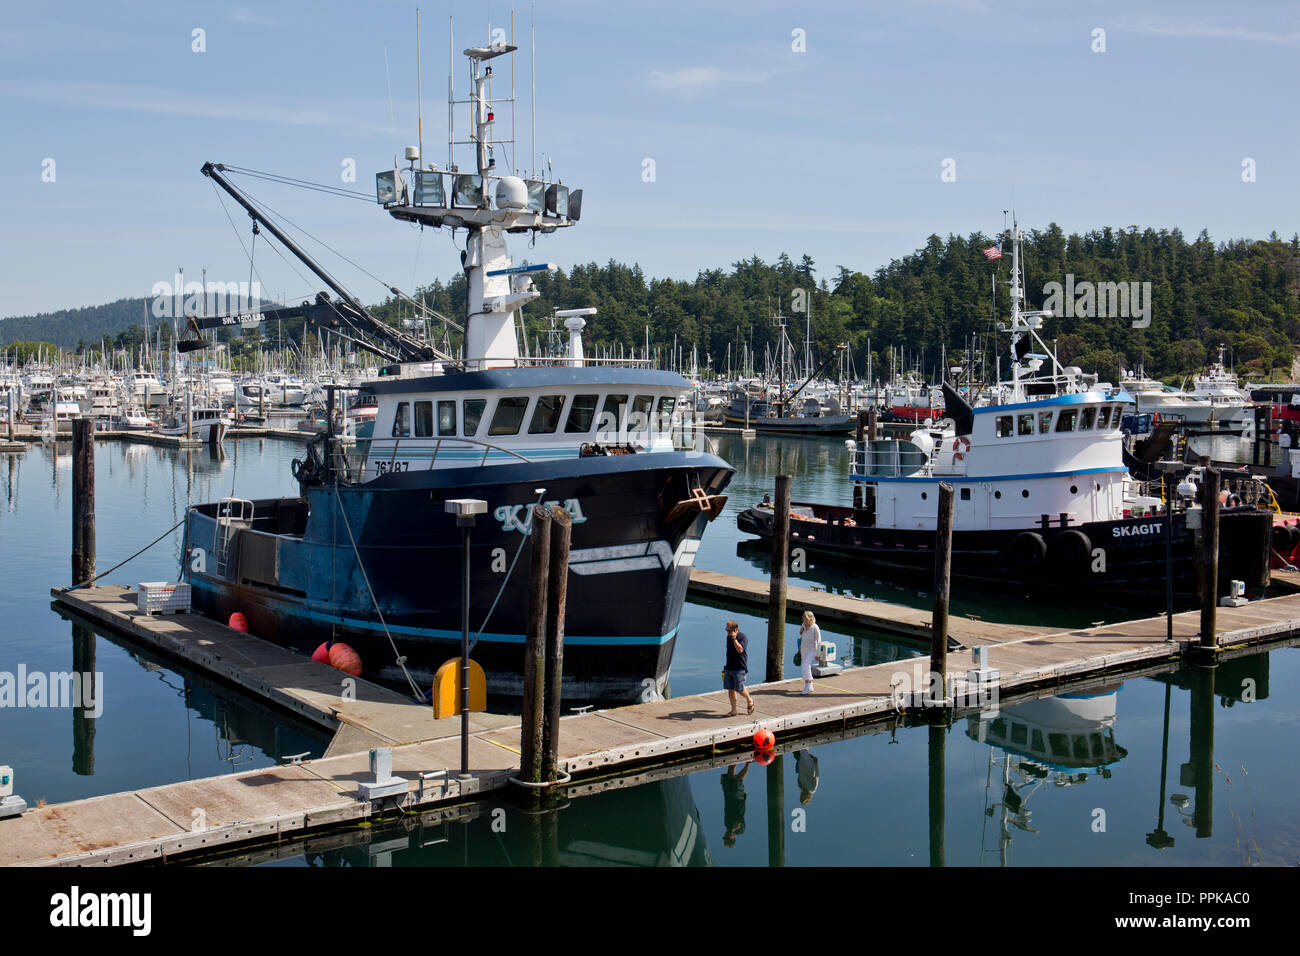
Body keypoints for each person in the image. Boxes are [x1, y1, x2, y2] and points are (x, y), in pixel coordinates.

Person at [723, 619, 754, 716]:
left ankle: (749, 700)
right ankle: (734, 710)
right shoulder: (728, 637)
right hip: (729, 667)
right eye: (726, 630)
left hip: (739, 668)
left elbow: (740, 650)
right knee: (730, 689)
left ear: (735, 630)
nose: (727, 632)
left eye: (729, 630)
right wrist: (725, 667)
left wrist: (734, 639)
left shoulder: (742, 637)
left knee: (739, 689)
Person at [721, 761, 750, 847]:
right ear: (733, 838)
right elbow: (738, 823)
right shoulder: (740, 831)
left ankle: (734, 759)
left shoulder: (727, 824)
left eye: (724, 837)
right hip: (737, 800)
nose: (725, 835)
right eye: (727, 837)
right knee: (738, 781)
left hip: (728, 797)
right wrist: (733, 830)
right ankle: (748, 763)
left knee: (729, 776)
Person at [798, 610, 820, 694]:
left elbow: (819, 641)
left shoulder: (815, 627)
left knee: (804, 667)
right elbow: (801, 635)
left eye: (804, 617)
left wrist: (818, 654)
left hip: (812, 650)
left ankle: (807, 684)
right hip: (803, 649)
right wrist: (801, 631)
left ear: (808, 618)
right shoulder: (803, 625)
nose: (802, 618)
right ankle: (810, 686)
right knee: (806, 667)